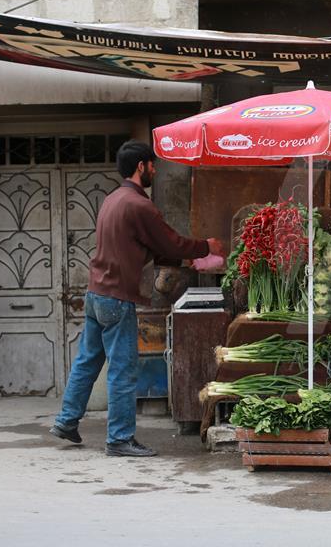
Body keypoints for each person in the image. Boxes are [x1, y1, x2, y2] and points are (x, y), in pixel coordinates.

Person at [50, 141, 224, 456]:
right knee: (123, 369)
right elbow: (171, 243)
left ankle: (66, 421)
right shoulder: (139, 205)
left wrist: (182, 259)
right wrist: (206, 247)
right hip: (116, 298)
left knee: (87, 361)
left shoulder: (113, 199)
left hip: (96, 294)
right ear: (141, 166)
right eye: (152, 165)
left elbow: (148, 245)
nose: (155, 170)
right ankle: (119, 439)